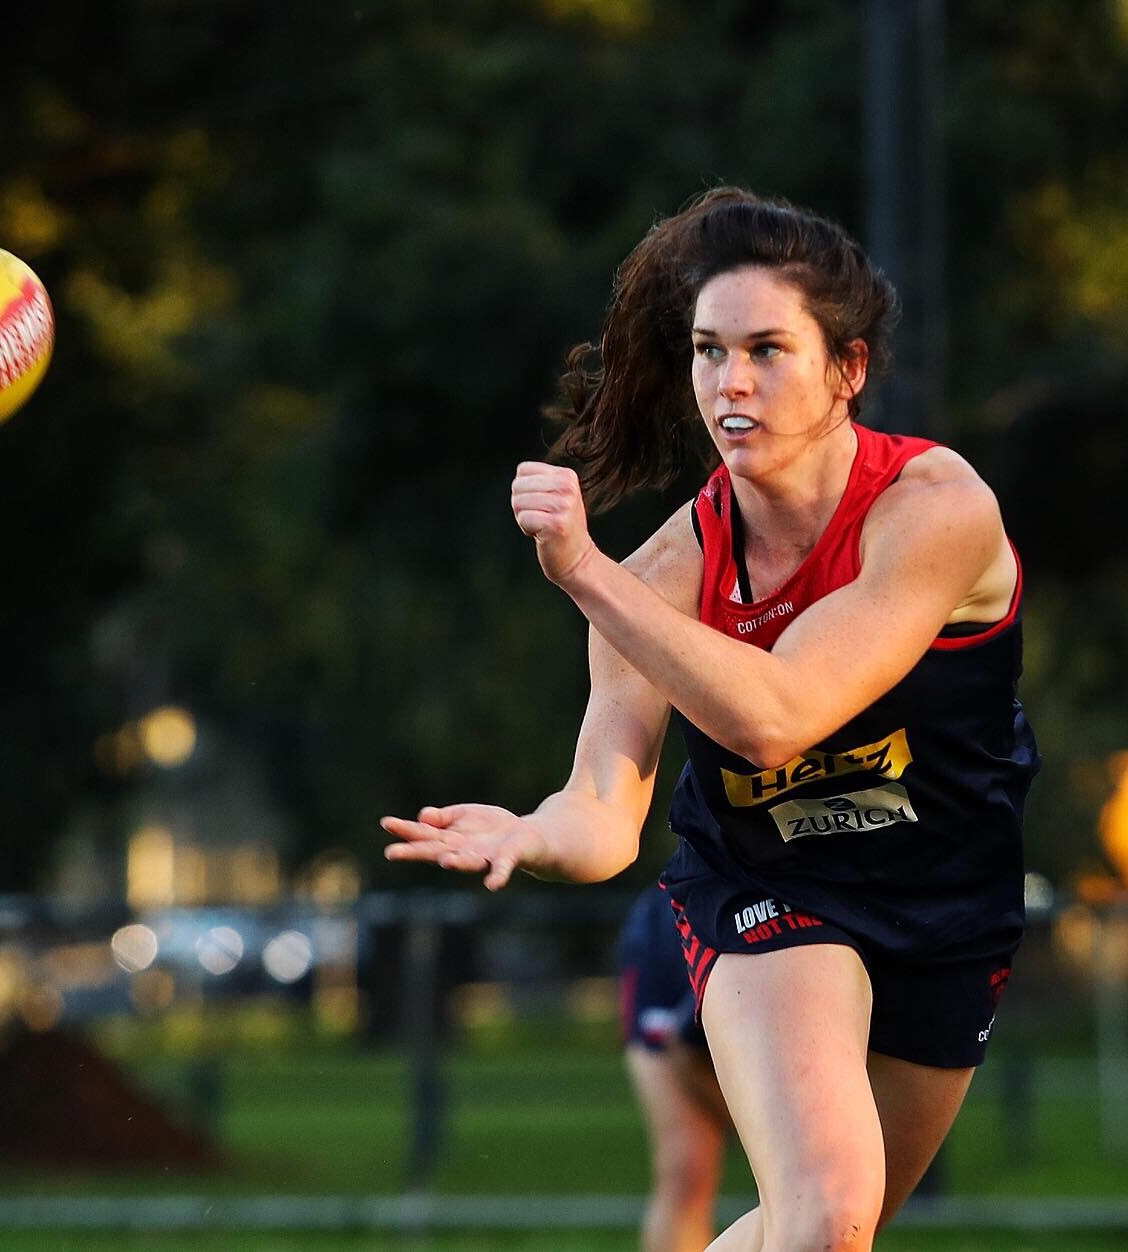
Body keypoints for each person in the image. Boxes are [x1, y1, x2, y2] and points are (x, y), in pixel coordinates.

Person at [382, 186, 1038, 1251]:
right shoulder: (662, 575)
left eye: (769, 350)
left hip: (950, 901)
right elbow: (605, 813)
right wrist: (533, 832)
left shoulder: (935, 511)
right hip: (768, 886)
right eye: (707, 350)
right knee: (828, 1211)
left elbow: (780, 712)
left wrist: (589, 575)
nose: (730, 384)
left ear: (850, 368)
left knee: (817, 1227)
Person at [620, 883, 732, 1251]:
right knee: (686, 1168)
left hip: (794, 910)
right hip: (677, 930)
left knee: (823, 1181)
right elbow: (683, 1046)